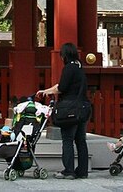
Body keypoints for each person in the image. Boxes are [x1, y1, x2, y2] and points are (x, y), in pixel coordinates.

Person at [37, 42, 89, 180]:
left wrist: (45, 92)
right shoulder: (79, 67)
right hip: (83, 107)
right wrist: (46, 91)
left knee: (67, 139)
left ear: (64, 55)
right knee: (81, 140)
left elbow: (61, 88)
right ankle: (82, 171)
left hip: (70, 109)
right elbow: (60, 86)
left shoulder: (69, 68)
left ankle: (69, 170)